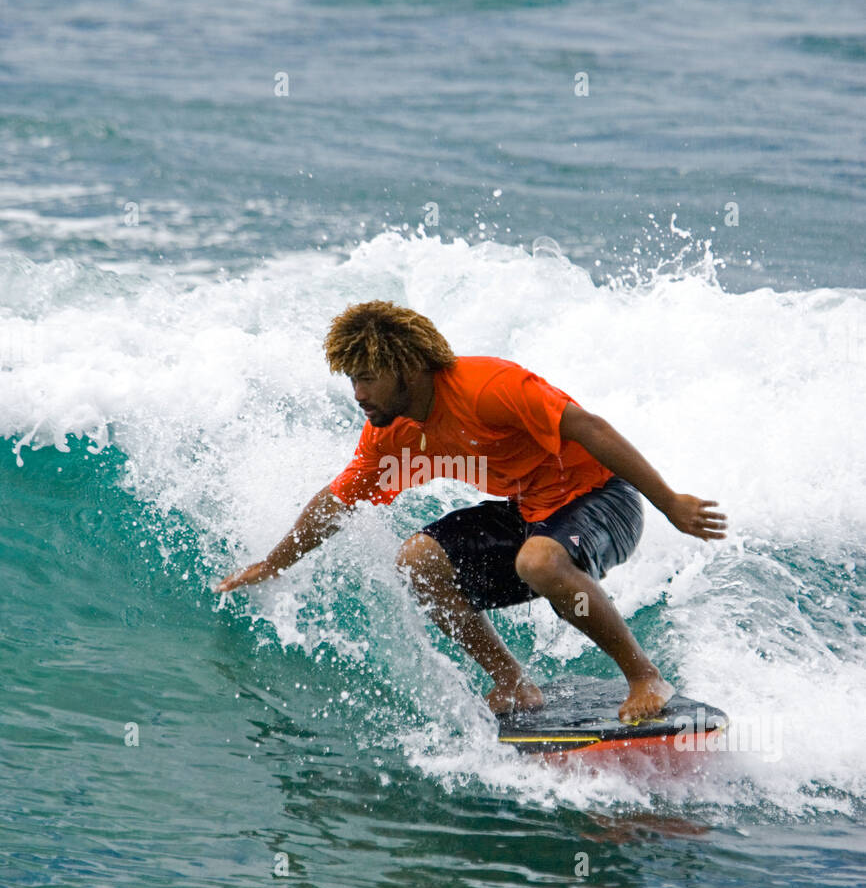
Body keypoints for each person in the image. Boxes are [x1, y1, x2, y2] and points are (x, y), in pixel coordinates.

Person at [217, 301, 727, 720]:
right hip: (530, 512)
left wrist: (670, 503)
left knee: (540, 561)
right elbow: (337, 501)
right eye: (352, 379)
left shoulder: (487, 388)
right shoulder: (390, 434)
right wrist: (274, 563)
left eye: (367, 377)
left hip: (603, 500)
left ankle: (644, 676)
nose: (358, 394)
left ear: (407, 367)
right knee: (417, 558)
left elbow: (590, 428)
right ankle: (511, 681)